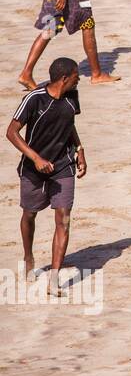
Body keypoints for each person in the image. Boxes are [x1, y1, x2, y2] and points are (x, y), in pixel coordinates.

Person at [8, 57, 87, 295]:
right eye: (75, 76)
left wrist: (80, 150)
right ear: (64, 78)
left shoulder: (72, 96)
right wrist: (36, 159)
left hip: (63, 164)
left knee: (63, 217)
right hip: (34, 168)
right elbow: (11, 132)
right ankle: (29, 256)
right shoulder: (35, 99)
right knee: (29, 214)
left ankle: (54, 279)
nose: (79, 79)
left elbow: (69, 123)